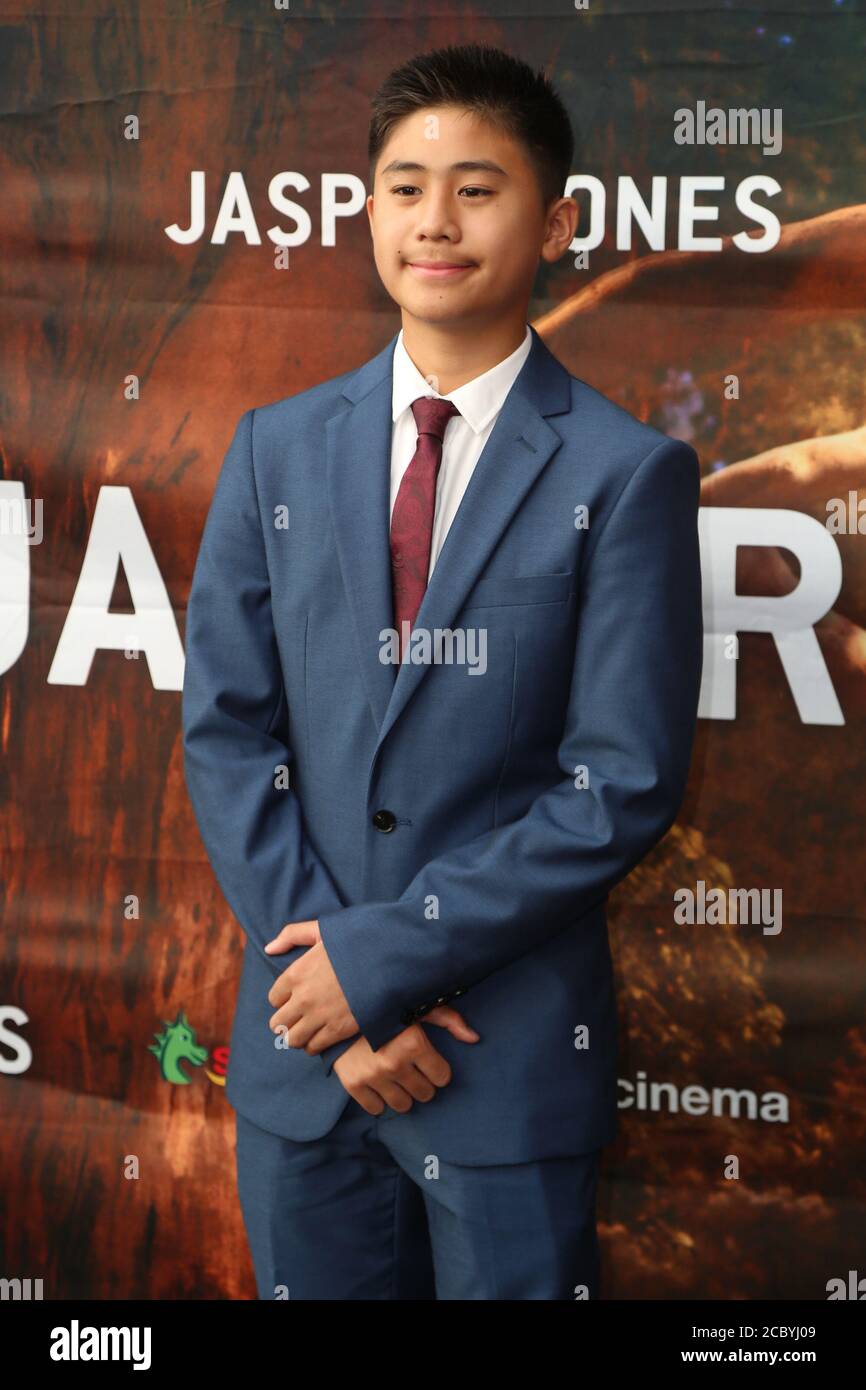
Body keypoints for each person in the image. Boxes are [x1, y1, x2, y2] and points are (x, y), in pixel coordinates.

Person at [181, 41, 703, 1300]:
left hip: (504, 1067)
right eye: (405, 185)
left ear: (555, 222)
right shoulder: (274, 449)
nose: (435, 219)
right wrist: (334, 993)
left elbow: (615, 786)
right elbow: (225, 731)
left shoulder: (624, 474)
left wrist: (385, 962)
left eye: (477, 187)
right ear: (366, 210)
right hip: (306, 1060)